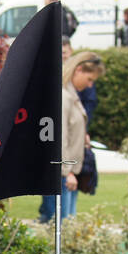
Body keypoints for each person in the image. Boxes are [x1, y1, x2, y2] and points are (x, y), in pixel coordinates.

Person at [40, 51, 100, 222]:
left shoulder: (69, 95)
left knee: (65, 225)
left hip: (67, 173)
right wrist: (67, 173)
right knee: (61, 227)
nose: (90, 86)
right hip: (62, 175)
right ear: (78, 70)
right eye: (89, 79)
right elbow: (59, 138)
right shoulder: (63, 97)